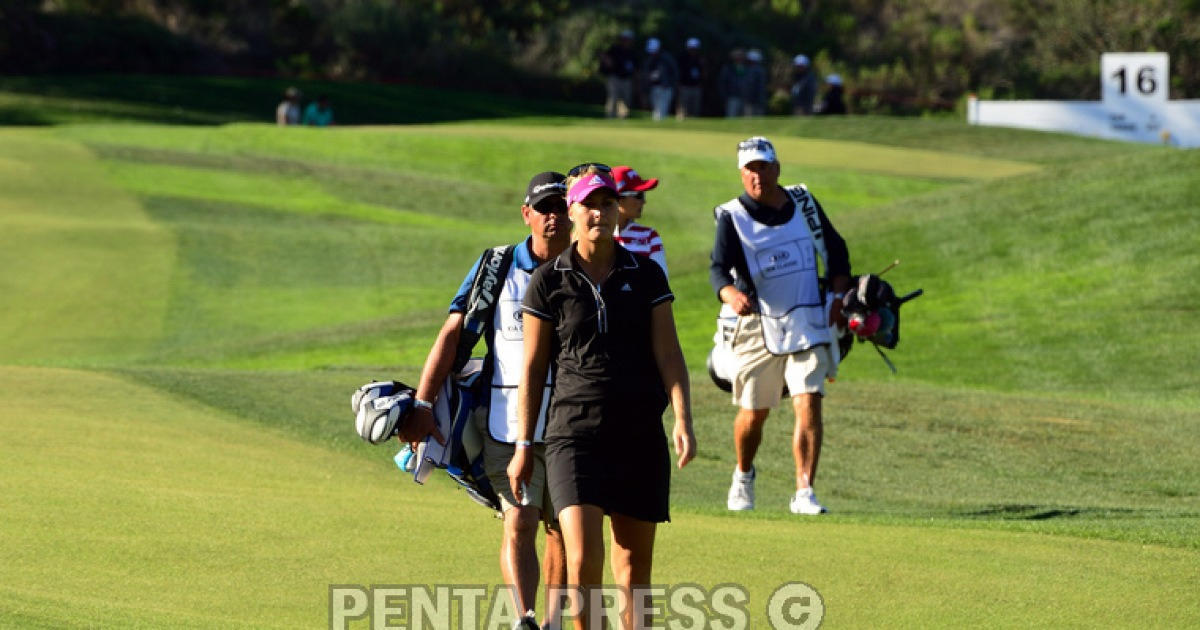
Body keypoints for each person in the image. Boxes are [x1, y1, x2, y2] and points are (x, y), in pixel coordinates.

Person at [509, 165, 696, 630]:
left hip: (638, 433)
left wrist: (683, 419)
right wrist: (523, 445)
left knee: (633, 571)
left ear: (617, 210)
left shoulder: (646, 273)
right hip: (574, 435)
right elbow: (532, 368)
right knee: (585, 563)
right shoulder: (549, 280)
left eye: (608, 203)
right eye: (590, 204)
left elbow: (668, 352)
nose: (599, 212)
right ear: (573, 211)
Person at [403, 172, 571, 630]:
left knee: (561, 529)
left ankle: (553, 623)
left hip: (573, 424)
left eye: (561, 207)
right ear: (527, 215)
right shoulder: (496, 266)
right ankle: (526, 619)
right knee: (519, 520)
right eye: (544, 208)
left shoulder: (587, 267)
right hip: (506, 422)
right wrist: (422, 404)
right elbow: (454, 335)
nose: (553, 216)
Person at [709, 137, 851, 515]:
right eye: (750, 169)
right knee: (754, 413)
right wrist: (730, 296)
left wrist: (837, 299)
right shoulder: (731, 216)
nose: (758, 176)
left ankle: (804, 490)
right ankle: (742, 474)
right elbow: (718, 270)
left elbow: (837, 253)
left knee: (809, 401)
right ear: (742, 173)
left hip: (808, 319)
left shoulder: (803, 202)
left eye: (763, 167)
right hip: (757, 324)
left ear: (777, 168)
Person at [611, 165, 668, 277]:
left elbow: (661, 281)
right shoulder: (593, 234)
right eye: (639, 195)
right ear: (618, 198)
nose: (643, 201)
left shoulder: (650, 237)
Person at [599, 30, 638, 119]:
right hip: (614, 78)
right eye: (625, 39)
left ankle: (623, 118)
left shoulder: (633, 53)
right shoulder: (614, 50)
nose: (626, 42)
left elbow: (636, 69)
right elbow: (604, 59)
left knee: (626, 99)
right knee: (613, 98)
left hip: (627, 79)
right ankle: (610, 116)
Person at [641, 38, 678, 121]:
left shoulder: (667, 59)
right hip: (654, 88)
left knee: (661, 111)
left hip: (665, 88)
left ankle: (660, 126)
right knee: (656, 110)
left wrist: (671, 85)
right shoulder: (649, 60)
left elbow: (674, 73)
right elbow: (645, 75)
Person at [675, 38, 706, 119]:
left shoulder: (700, 59)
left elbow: (704, 74)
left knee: (695, 109)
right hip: (684, 87)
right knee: (683, 108)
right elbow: (678, 73)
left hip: (696, 87)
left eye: (694, 48)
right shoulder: (682, 59)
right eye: (691, 48)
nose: (693, 50)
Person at [717, 48, 748, 118]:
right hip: (732, 97)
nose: (739, 58)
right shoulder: (728, 68)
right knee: (732, 116)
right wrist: (724, 97)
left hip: (745, 97)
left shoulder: (747, 68)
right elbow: (722, 84)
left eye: (740, 56)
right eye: (737, 56)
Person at [743, 49, 768, 117]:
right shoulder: (761, 70)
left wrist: (748, 98)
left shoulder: (752, 70)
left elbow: (750, 85)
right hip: (759, 100)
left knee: (749, 119)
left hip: (752, 100)